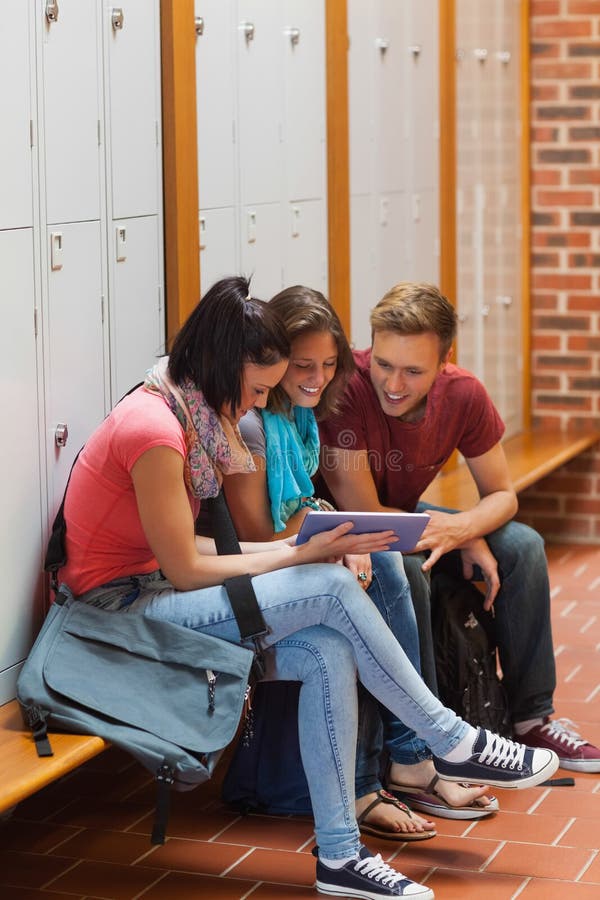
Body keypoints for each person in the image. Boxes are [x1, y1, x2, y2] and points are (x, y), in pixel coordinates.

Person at [59, 276, 558, 900]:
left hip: (156, 591)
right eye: (258, 390)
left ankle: (341, 857)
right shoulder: (154, 429)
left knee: (328, 649)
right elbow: (185, 569)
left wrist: (300, 549)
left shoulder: (186, 415)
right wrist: (299, 554)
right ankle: (447, 739)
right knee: (326, 583)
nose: (254, 407)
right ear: (224, 366)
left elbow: (194, 554)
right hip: (115, 617)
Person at [224, 284, 496, 835]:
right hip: (251, 572)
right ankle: (408, 759)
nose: (317, 378)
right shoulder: (253, 424)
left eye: (328, 365)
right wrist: (334, 531)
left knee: (397, 563)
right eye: (303, 365)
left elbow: (308, 507)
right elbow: (260, 535)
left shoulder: (301, 415)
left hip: (297, 552)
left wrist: (463, 529)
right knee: (388, 567)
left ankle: (416, 753)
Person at [317, 280, 600, 783]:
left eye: (413, 370)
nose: (394, 383)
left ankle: (532, 718)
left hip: (406, 515)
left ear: (445, 360)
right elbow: (365, 511)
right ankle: (431, 740)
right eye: (383, 363)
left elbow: (502, 493)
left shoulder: (463, 393)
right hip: (345, 528)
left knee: (523, 547)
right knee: (406, 564)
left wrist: (466, 527)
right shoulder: (347, 388)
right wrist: (459, 533)